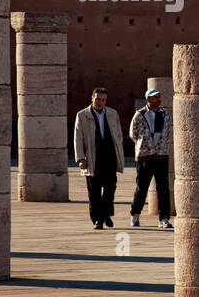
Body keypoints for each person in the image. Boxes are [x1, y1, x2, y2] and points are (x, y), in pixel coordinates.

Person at [73, 86, 125, 229]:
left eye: (103, 100)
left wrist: (118, 152)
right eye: (97, 99)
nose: (100, 102)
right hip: (92, 157)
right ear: (92, 98)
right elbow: (78, 138)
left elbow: (119, 134)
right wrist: (80, 158)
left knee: (110, 189)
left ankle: (106, 214)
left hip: (109, 156)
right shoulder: (82, 115)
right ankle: (98, 219)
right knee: (94, 191)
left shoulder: (113, 114)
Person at [128, 87, 173, 228]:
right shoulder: (139, 115)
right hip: (145, 157)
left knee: (163, 189)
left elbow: (169, 131)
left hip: (161, 156)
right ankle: (135, 214)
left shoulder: (165, 114)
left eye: (158, 97)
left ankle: (164, 218)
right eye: (154, 97)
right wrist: (144, 144)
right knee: (142, 188)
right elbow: (133, 134)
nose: (157, 100)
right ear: (148, 99)